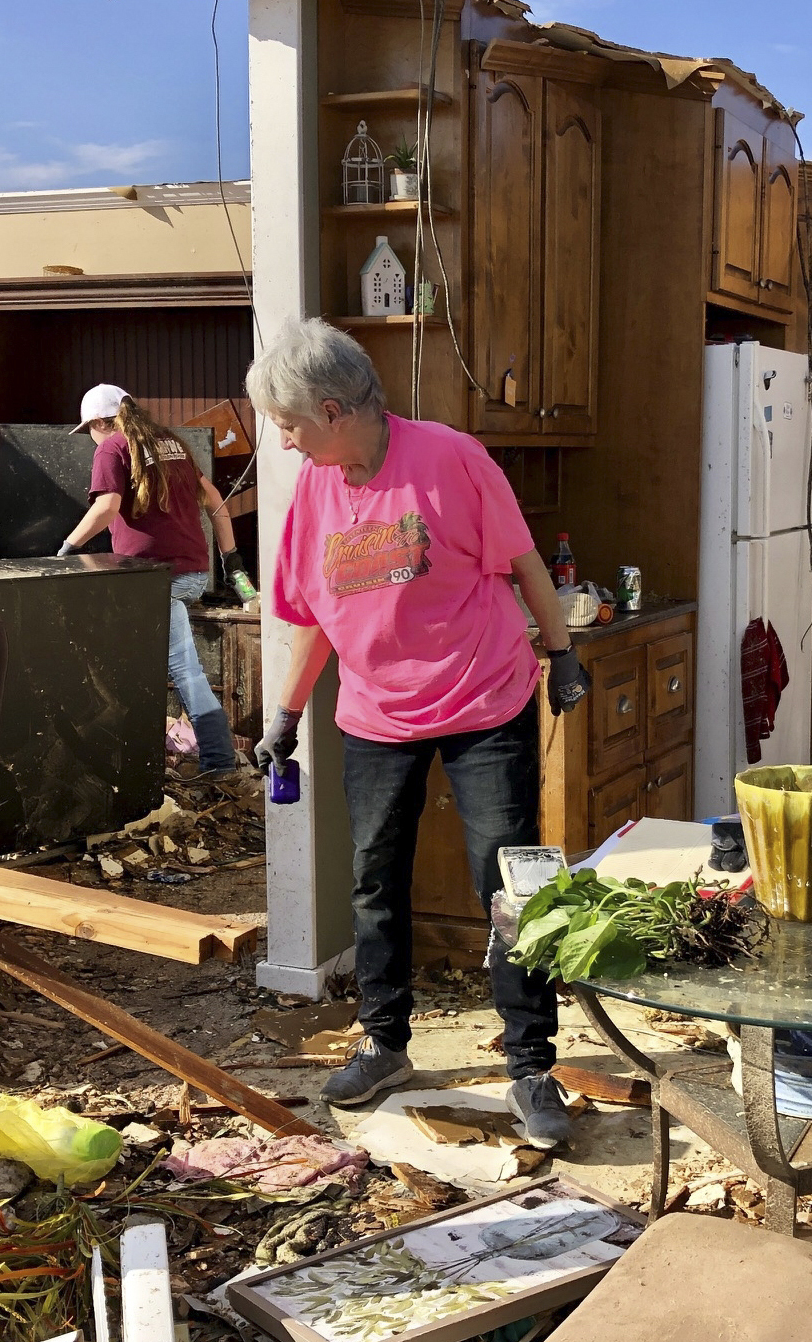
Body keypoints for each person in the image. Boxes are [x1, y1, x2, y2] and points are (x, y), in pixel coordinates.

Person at [247, 319, 591, 1148]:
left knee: (512, 882)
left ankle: (532, 1065)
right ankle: (384, 1043)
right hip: (375, 714)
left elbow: (524, 566)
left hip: (485, 698)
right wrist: (284, 716)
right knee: (374, 877)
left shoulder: (452, 459)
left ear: (332, 411)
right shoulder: (314, 496)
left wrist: (562, 653)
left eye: (288, 425)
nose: (284, 444)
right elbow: (314, 623)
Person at [59, 384, 249, 775]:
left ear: (99, 422)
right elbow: (215, 500)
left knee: (182, 670)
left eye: (89, 429)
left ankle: (217, 760)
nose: (91, 438)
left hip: (151, 578)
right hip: (192, 573)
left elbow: (107, 506)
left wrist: (66, 548)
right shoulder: (170, 443)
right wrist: (232, 561)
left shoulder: (111, 447)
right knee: (148, 662)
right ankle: (152, 752)